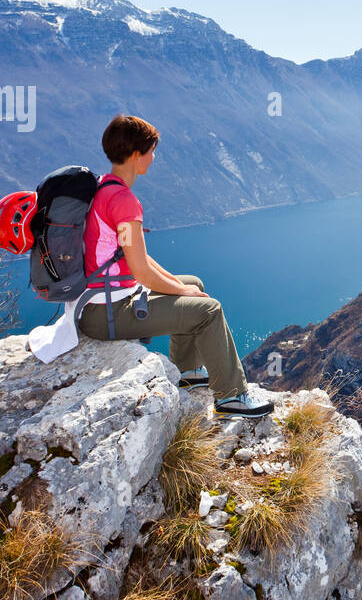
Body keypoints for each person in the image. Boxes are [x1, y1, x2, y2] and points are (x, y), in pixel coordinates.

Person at [77, 114, 273, 418]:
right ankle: (232, 397)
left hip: (99, 303)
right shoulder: (123, 200)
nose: (153, 158)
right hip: (107, 315)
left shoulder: (104, 187)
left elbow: (136, 257)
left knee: (194, 284)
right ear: (136, 155)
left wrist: (183, 288)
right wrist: (181, 292)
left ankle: (189, 371)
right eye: (151, 151)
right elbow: (141, 272)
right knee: (208, 311)